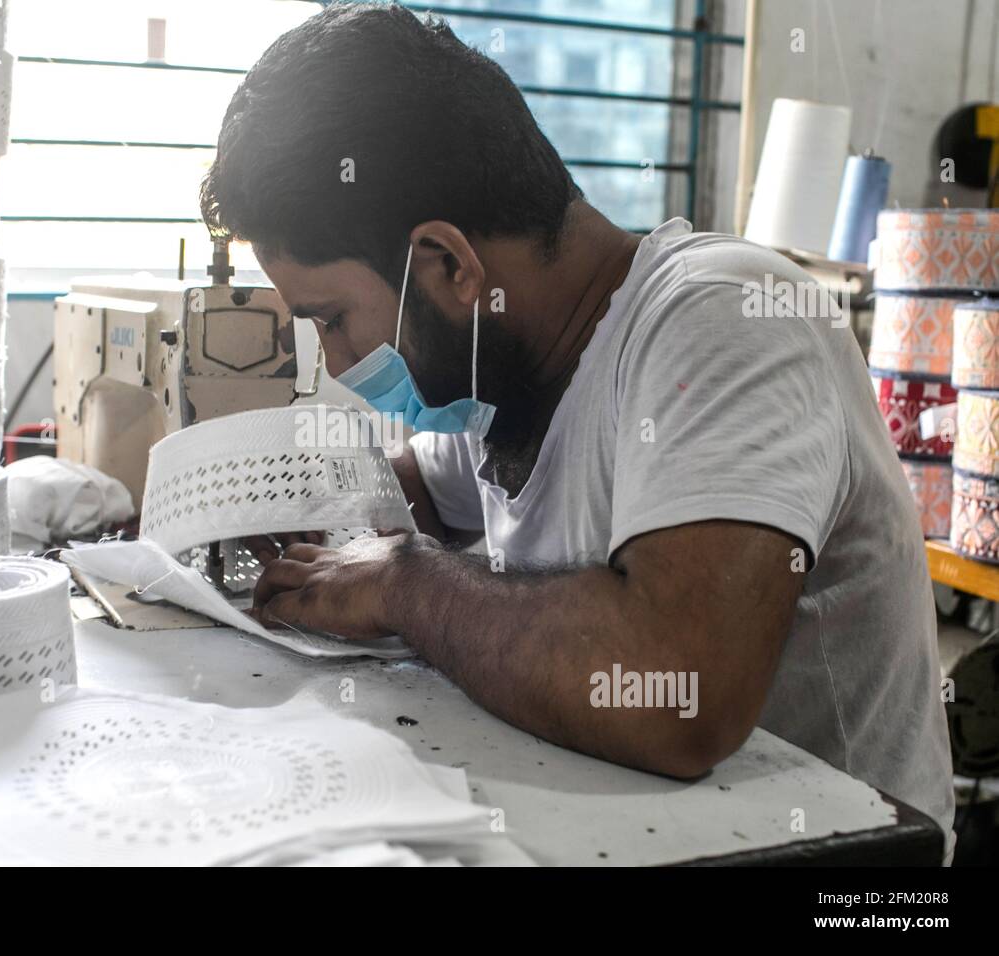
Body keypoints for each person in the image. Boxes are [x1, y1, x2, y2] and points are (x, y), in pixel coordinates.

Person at [200, 3, 954, 844]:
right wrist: (252, 508)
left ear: (447, 265)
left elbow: (679, 692)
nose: (337, 364)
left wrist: (405, 583)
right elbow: (399, 496)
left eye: (333, 319)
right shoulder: (495, 373)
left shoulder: (726, 317)